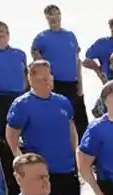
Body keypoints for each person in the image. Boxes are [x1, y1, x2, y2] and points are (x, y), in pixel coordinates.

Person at [5, 60, 83, 195]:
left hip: (66, 169)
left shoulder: (62, 102)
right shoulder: (22, 104)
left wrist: (75, 156)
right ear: (31, 79)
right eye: (42, 79)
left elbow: (71, 129)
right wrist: (19, 159)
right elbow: (11, 135)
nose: (47, 82)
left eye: (49, 78)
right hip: (42, 174)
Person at [30, 6, 88, 137]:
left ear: (60, 15)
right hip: (55, 84)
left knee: (80, 122)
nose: (54, 18)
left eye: (56, 14)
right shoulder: (41, 38)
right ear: (46, 18)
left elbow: (77, 60)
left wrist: (80, 83)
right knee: (59, 120)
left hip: (73, 83)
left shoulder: (70, 35)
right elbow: (37, 61)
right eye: (50, 15)